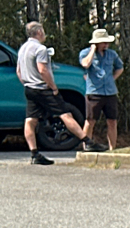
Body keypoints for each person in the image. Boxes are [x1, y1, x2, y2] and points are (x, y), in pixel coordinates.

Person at [15, 21, 106, 165]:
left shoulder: (23, 49)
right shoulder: (40, 49)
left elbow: (18, 71)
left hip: (29, 88)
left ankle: (34, 154)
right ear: (38, 32)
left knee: (31, 120)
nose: (44, 33)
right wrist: (53, 87)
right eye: (43, 30)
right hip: (43, 88)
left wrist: (26, 83)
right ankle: (87, 142)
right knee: (65, 114)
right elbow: (43, 70)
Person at [79, 27, 124, 149]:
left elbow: (120, 67)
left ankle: (112, 147)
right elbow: (85, 64)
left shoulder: (112, 54)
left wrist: (112, 78)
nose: (106, 44)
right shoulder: (85, 53)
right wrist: (93, 50)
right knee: (90, 121)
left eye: (107, 42)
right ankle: (87, 145)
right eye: (103, 42)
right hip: (94, 92)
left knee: (112, 121)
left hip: (110, 92)